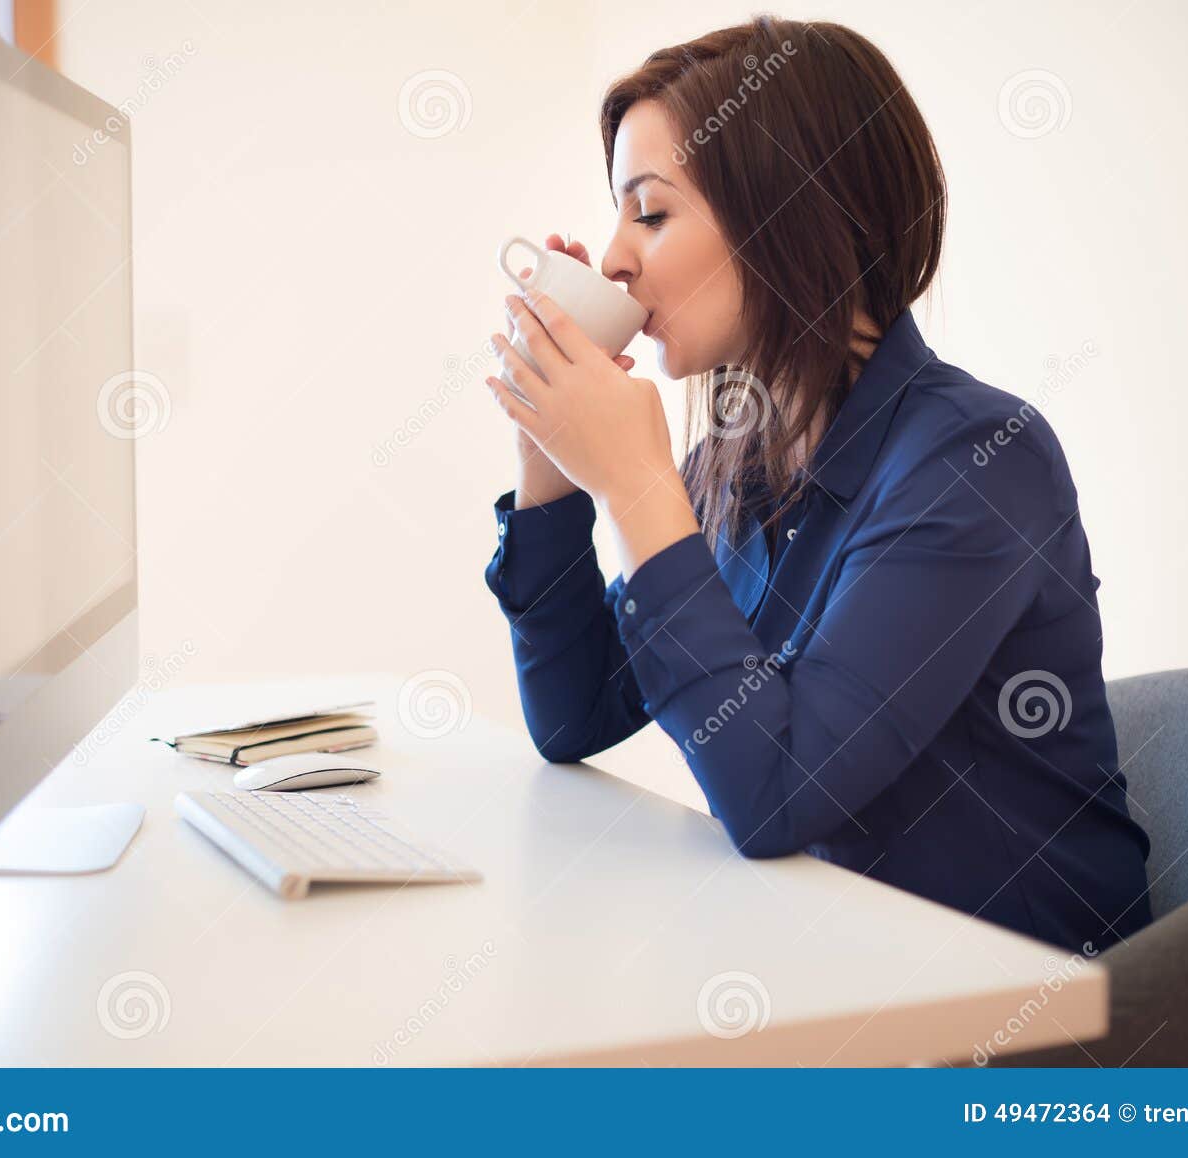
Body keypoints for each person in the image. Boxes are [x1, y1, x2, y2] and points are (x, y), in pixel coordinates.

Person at [480, 15, 1152, 952]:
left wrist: (635, 486)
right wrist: (549, 463)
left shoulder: (979, 460)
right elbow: (573, 714)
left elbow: (776, 794)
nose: (617, 258)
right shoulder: (737, 459)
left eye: (653, 211)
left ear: (792, 218)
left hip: (1018, 1022)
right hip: (838, 973)